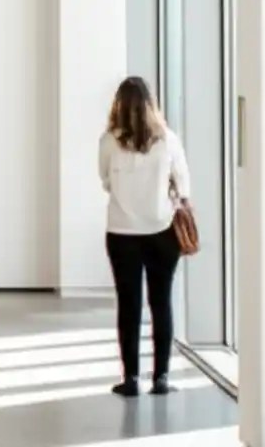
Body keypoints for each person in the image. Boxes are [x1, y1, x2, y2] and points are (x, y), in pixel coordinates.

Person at [98, 76, 192, 397]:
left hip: (121, 232)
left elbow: (105, 181)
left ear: (118, 106)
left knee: (129, 305)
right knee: (161, 302)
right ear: (151, 105)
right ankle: (161, 378)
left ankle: (131, 379)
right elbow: (183, 183)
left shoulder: (108, 141)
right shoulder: (167, 139)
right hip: (162, 231)